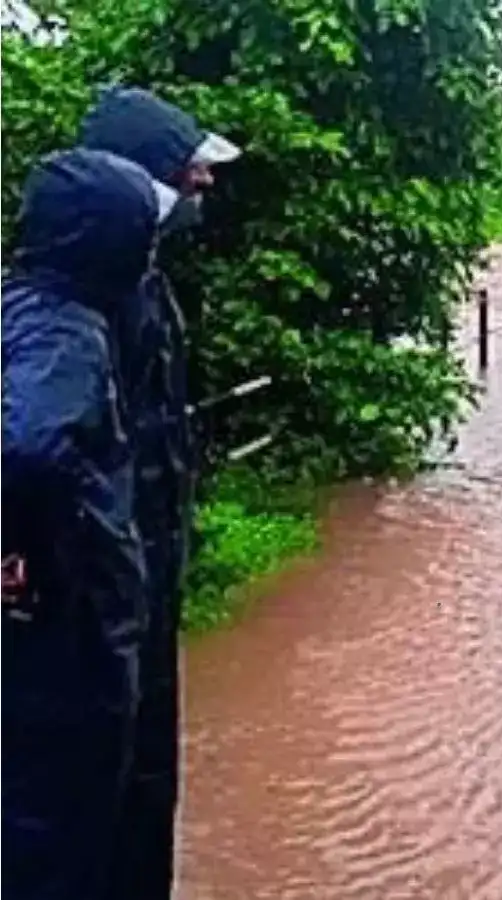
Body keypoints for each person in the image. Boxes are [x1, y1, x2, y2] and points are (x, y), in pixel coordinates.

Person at [78, 85, 242, 899]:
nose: (203, 184)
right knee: (86, 803)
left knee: (144, 786)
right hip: (97, 601)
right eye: (189, 169)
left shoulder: (143, 280)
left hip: (147, 586)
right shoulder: (83, 301)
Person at [3, 147, 180, 899]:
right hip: (70, 638)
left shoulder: (20, 305)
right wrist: (27, 546)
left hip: (56, 635)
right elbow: (30, 445)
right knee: (62, 837)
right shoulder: (69, 333)